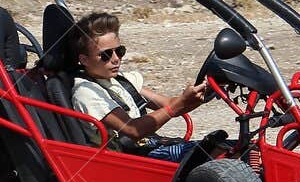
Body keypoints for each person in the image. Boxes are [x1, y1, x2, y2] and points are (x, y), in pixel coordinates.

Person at [68, 12, 207, 161]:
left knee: (224, 147)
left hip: (150, 146)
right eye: (106, 55)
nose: (116, 59)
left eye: (119, 51)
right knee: (216, 152)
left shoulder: (121, 79)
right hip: (130, 159)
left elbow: (168, 104)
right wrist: (178, 105)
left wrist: (204, 89)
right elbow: (132, 129)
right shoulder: (85, 92)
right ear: (85, 60)